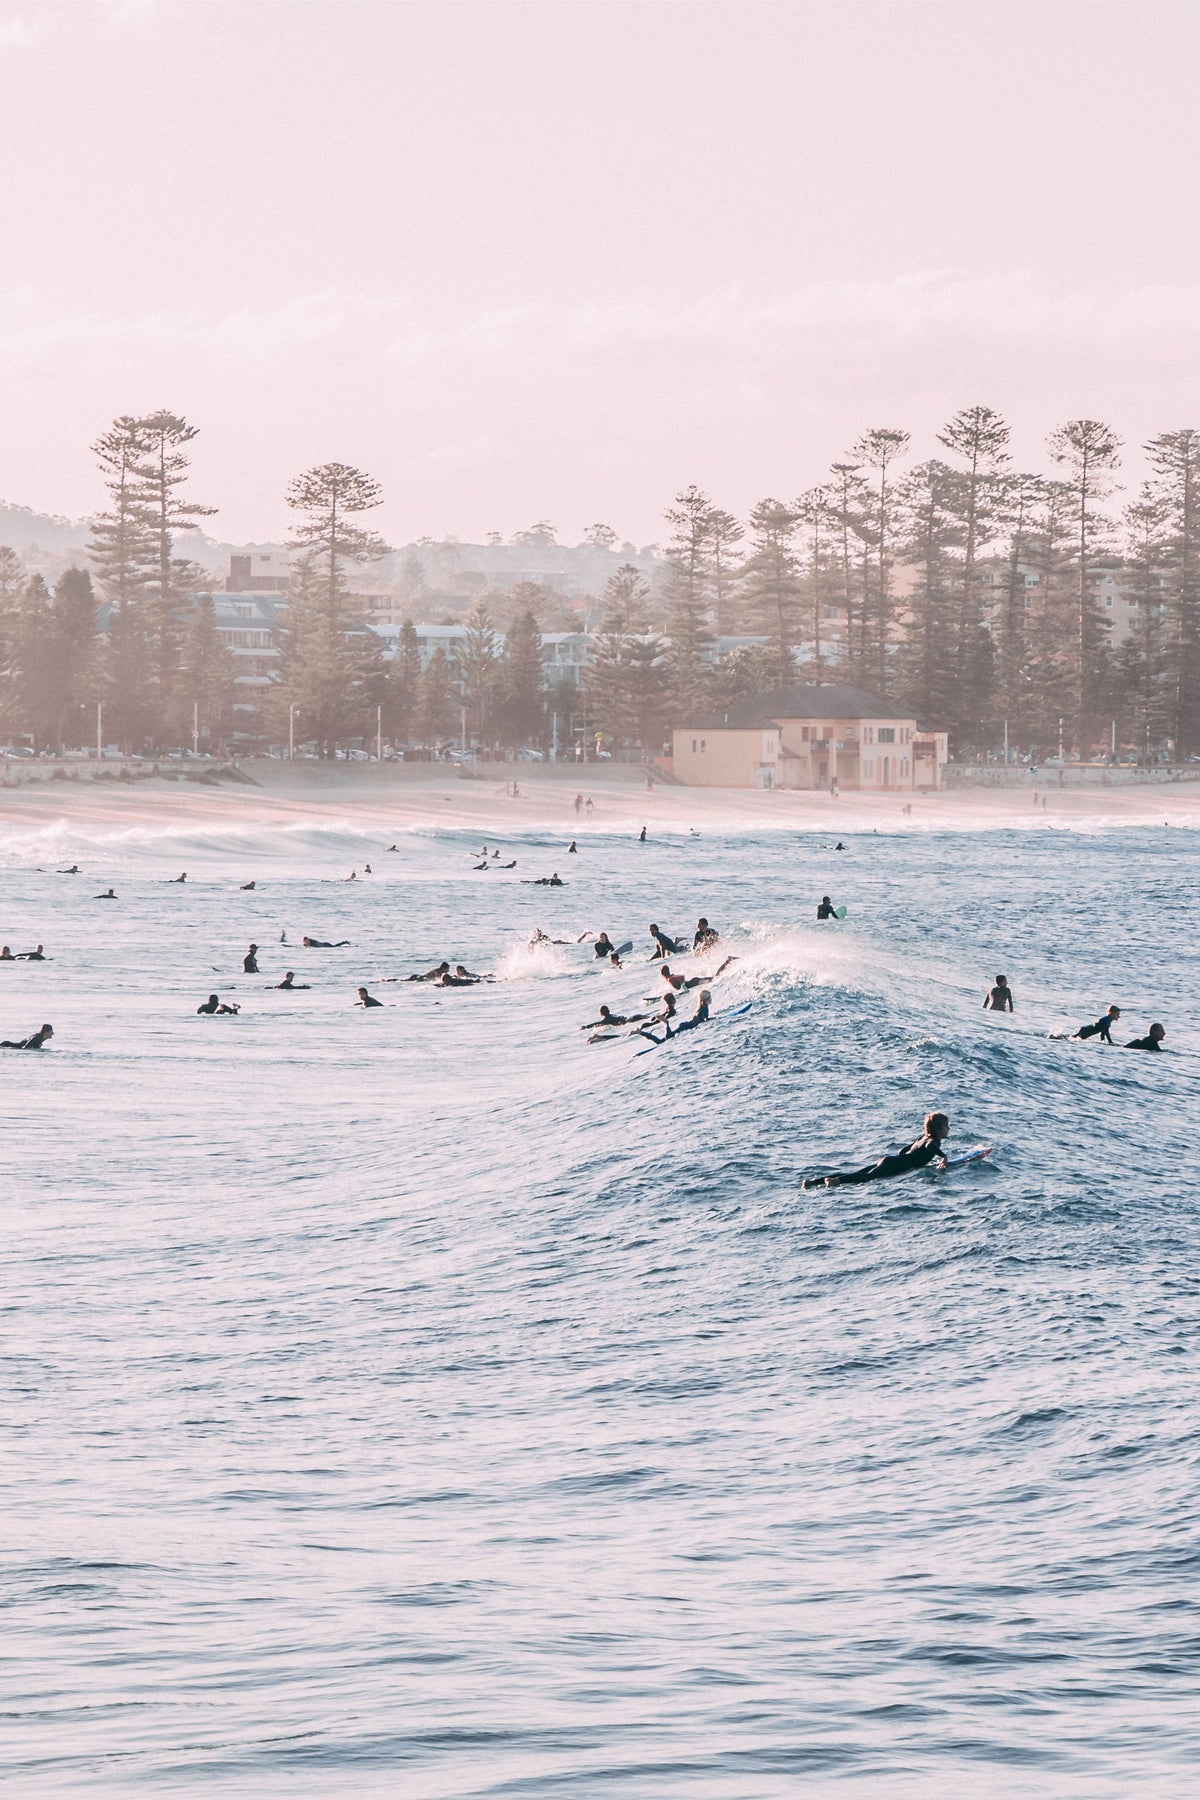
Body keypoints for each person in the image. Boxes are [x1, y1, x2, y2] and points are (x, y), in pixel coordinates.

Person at [803, 1112, 950, 1189]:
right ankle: (836, 1181)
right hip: (893, 1164)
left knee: (857, 1173)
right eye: (946, 1126)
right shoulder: (934, 1141)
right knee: (866, 1178)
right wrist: (943, 1157)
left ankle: (813, 1182)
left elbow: (902, 1151)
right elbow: (930, 1147)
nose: (948, 1129)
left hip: (889, 1160)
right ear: (938, 1128)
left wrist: (912, 1159)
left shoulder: (922, 1137)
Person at [637, 989, 711, 1045]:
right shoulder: (705, 1008)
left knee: (662, 1041)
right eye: (710, 997)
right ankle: (666, 1023)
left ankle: (641, 1032)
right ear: (706, 999)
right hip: (686, 1026)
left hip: (685, 1025)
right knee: (664, 1040)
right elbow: (705, 1020)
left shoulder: (700, 1007)